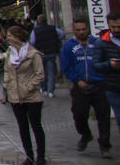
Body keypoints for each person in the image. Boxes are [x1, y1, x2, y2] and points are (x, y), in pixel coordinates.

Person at [60, 18, 112, 157]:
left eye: (84, 29)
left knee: (103, 116)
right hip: (80, 86)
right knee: (79, 114)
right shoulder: (69, 46)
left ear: (88, 29)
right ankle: (86, 134)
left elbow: (105, 61)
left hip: (99, 85)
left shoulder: (98, 43)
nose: (82, 32)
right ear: (74, 30)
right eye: (78, 30)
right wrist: (77, 80)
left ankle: (105, 145)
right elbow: (66, 66)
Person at [2, 23, 47, 165]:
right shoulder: (9, 53)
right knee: (22, 127)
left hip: (32, 96)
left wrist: (29, 88)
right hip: (15, 96)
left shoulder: (33, 54)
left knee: (36, 126)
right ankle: (29, 155)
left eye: (10, 36)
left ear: (18, 37)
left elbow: (40, 75)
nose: (8, 38)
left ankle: (41, 155)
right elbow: (7, 71)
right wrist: (6, 88)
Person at [32, 14, 62, 97]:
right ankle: (51, 91)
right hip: (51, 52)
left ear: (38, 21)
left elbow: (32, 41)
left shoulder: (35, 31)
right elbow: (62, 34)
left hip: (41, 53)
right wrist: (56, 40)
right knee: (51, 73)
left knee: (42, 72)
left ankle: (44, 89)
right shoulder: (53, 28)